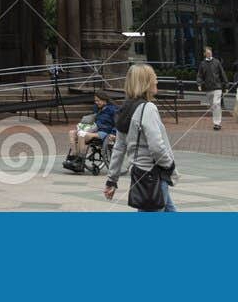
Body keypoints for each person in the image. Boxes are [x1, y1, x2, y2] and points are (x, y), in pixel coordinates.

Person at [102, 63, 178, 211]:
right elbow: (156, 146)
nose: (156, 81)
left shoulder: (125, 108)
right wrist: (169, 165)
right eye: (154, 78)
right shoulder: (148, 108)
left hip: (139, 173)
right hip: (154, 175)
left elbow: (119, 148)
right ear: (145, 82)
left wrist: (112, 180)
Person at [64, 91, 119, 172]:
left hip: (105, 132)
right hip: (94, 130)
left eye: (98, 100)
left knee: (82, 135)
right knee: (72, 133)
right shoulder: (97, 108)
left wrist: (113, 134)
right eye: (95, 101)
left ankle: (80, 162)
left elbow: (117, 123)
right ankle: (74, 156)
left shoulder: (113, 109)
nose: (96, 102)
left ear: (104, 100)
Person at [197, 46, 227, 131]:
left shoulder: (217, 62)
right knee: (213, 106)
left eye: (210, 52)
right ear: (204, 54)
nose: (209, 54)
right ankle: (216, 121)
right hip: (208, 88)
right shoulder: (202, 64)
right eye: (207, 53)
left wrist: (226, 84)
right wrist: (199, 84)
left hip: (217, 87)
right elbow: (200, 75)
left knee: (216, 103)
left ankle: (217, 123)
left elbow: (222, 73)